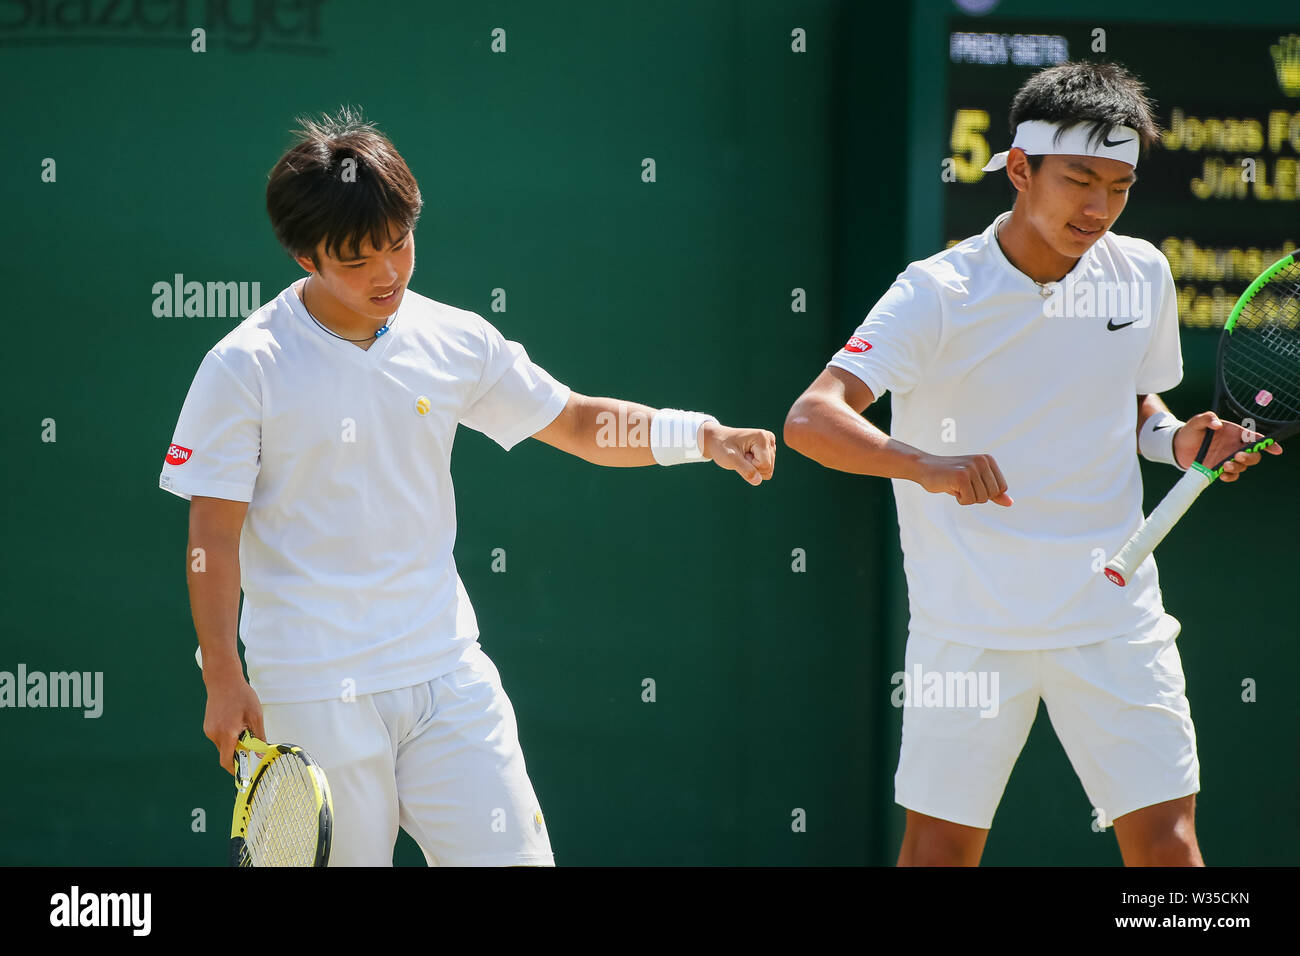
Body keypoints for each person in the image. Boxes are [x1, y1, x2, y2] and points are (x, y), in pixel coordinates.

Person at [159, 106, 776, 866]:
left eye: (399, 244)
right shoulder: (243, 365)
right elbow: (211, 537)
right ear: (303, 257)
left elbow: (578, 423)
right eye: (356, 260)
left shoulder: (454, 339)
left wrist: (701, 436)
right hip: (314, 689)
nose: (387, 273)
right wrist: (222, 673)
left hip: (447, 675)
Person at [784, 62, 1280, 866]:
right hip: (968, 629)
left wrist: (1179, 441)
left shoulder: (1143, 271)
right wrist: (926, 465)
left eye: (1118, 186)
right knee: (940, 852)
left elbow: (1138, 412)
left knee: (1167, 841)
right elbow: (812, 418)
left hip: (1115, 618)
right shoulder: (934, 292)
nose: (1098, 207)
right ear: (1019, 169)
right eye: (1079, 180)